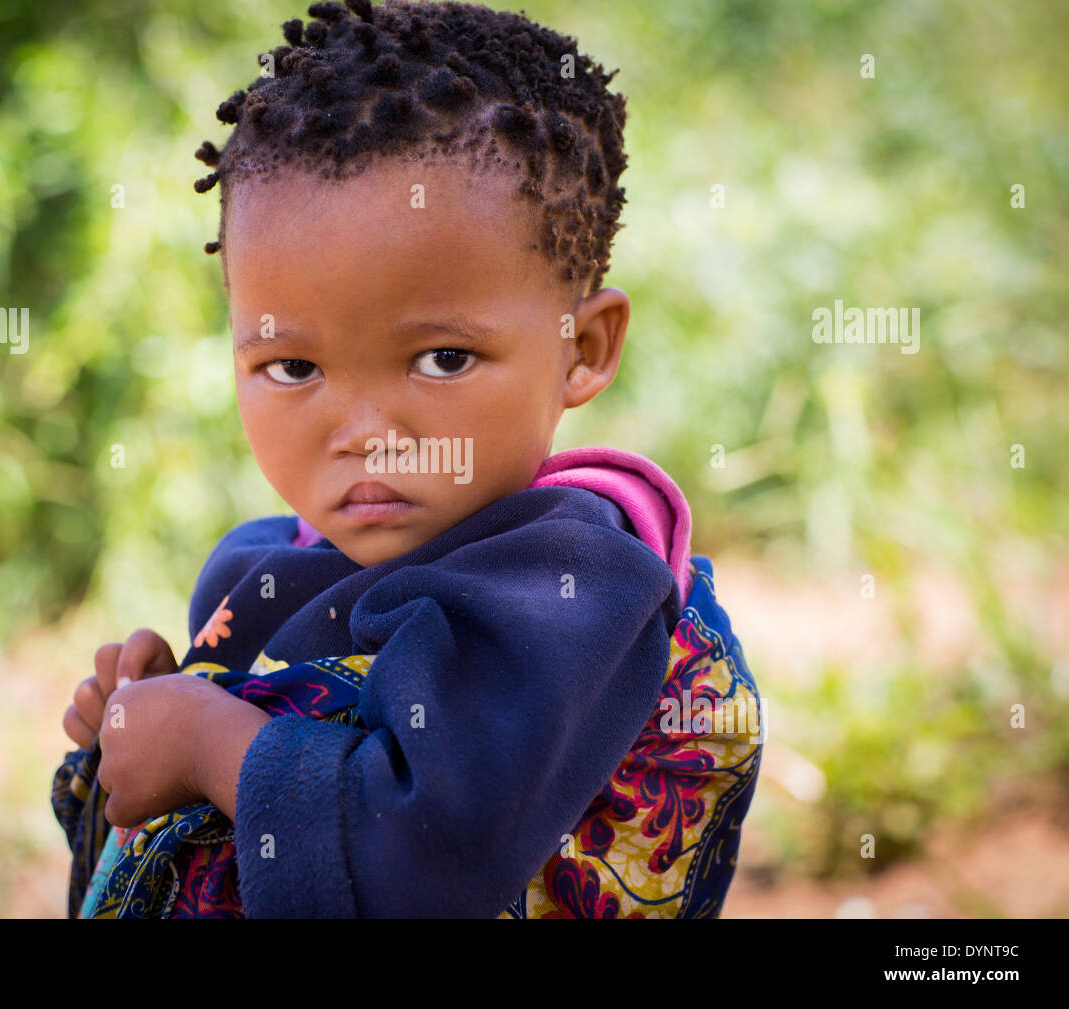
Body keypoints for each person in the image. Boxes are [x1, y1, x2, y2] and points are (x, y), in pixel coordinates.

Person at [53, 0, 762, 918]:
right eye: (294, 366)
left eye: (443, 359)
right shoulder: (267, 570)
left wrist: (208, 742)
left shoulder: (576, 588)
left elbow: (424, 864)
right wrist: (146, 716)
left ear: (582, 347)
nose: (366, 430)